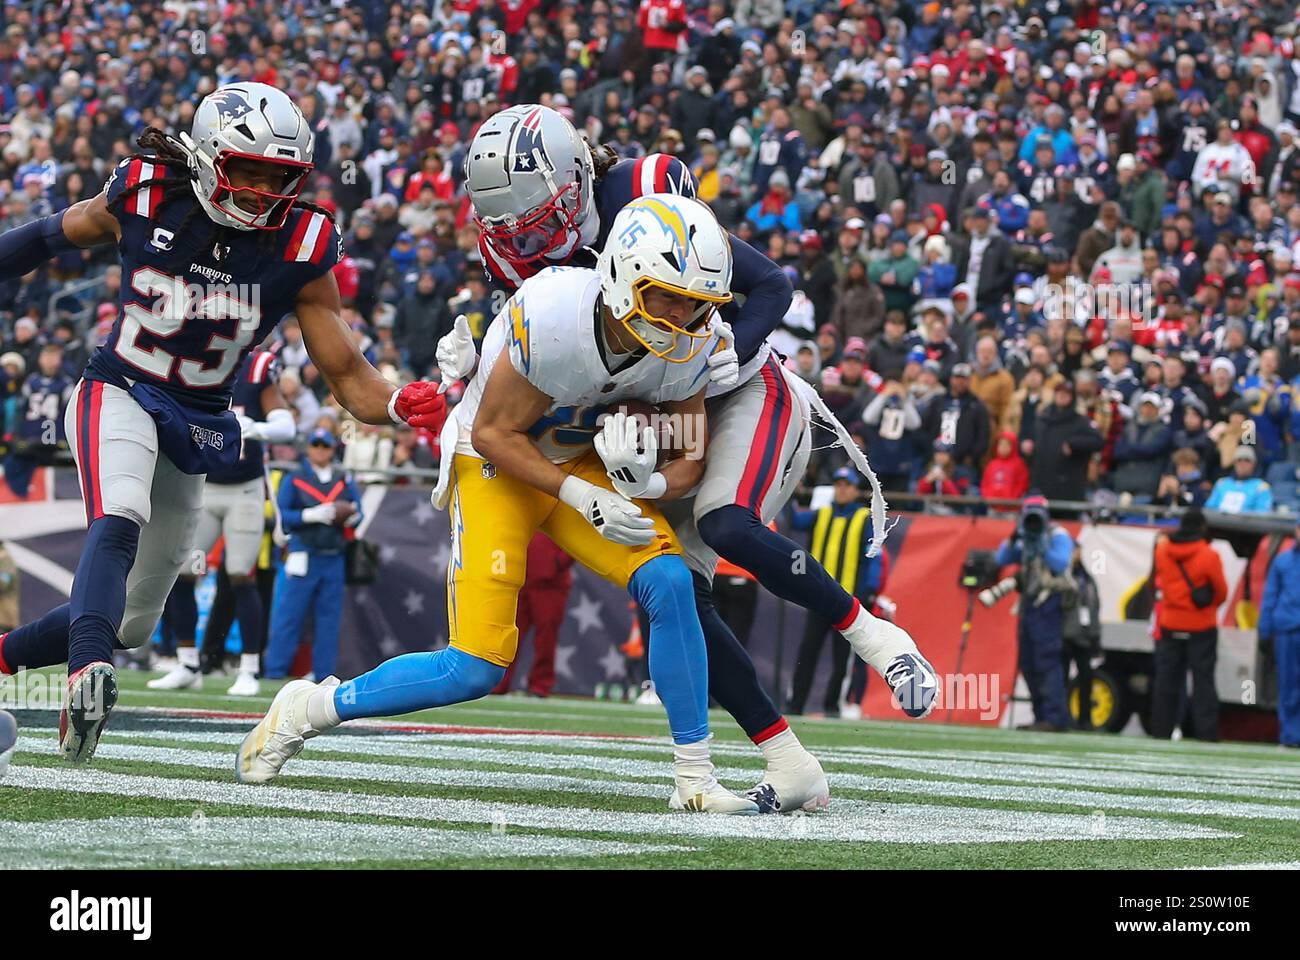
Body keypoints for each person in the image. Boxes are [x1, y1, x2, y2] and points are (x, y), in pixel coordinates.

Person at [442, 105, 936, 813]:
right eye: (517, 234)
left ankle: (873, 634)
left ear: (580, 181)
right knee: (676, 596)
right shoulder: (519, 258)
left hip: (736, 386)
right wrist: (471, 367)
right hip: (657, 403)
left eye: (547, 225)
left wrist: (731, 340)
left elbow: (768, 284)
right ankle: (791, 763)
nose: (536, 246)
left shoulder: (647, 194)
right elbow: (553, 357)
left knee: (727, 521)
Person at [240, 194, 760, 814]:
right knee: (475, 668)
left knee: (671, 582)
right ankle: (312, 707)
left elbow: (689, 459)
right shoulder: (555, 314)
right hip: (496, 463)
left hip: (579, 464)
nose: (682, 319)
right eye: (667, 298)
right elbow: (492, 431)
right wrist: (579, 495)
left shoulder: (698, 344)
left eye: (698, 305)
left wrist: (648, 485)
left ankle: (694, 779)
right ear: (622, 278)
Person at [0, 83, 445, 762]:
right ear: (209, 159)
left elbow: (349, 375)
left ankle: (6, 658)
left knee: (136, 619)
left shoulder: (302, 242)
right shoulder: (150, 194)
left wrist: (398, 404)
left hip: (198, 419)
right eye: (251, 171)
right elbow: (42, 238)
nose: (266, 191)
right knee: (117, 514)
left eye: (281, 177)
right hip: (117, 387)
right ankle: (84, 674)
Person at [150, 350, 296, 696]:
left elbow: (286, 426)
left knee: (241, 574)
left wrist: (256, 428)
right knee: (182, 570)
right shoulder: (189, 363)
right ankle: (187, 662)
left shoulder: (256, 367)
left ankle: (249, 668)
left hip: (243, 490)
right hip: (202, 486)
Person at [262, 428, 361, 684]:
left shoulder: (343, 477)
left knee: (329, 619)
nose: (319, 449)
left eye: (325, 445)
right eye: (315, 445)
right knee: (288, 614)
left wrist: (350, 515)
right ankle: (274, 671)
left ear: (332, 449)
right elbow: (281, 516)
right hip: (303, 552)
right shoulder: (295, 477)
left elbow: (357, 510)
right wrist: (312, 514)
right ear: (308, 448)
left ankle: (324, 674)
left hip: (333, 555)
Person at [785, 467, 884, 717]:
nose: (841, 489)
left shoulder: (864, 519)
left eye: (846, 485)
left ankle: (832, 706)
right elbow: (795, 520)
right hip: (819, 599)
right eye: (838, 484)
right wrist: (787, 491)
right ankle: (796, 704)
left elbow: (874, 556)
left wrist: (870, 589)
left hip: (846, 600)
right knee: (807, 653)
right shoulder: (823, 514)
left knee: (842, 658)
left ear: (855, 490)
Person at [990, 496, 1076, 732]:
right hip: (1029, 604)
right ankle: (1041, 716)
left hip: (1049, 602)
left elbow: (1060, 564)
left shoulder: (1057, 535)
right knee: (1028, 661)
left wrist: (1042, 546)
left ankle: (1055, 717)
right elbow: (1001, 559)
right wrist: (1015, 537)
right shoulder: (1024, 535)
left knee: (1046, 660)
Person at [1151, 509, 1227, 741]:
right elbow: (1221, 592)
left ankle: (1161, 730)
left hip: (1170, 623)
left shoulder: (1163, 550)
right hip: (1201, 626)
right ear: (1202, 527)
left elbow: (1161, 581)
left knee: (1166, 680)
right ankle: (1206, 733)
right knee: (1203, 681)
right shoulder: (1208, 554)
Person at [490, 534, 574, 698]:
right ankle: (499, 683)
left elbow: (577, 536)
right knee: (508, 635)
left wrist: (557, 563)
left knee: (546, 637)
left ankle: (540, 685)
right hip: (517, 580)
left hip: (550, 585)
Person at [3, 341, 73, 498]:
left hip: (53, 439)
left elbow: (69, 412)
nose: (49, 360)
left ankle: (21, 491)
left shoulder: (66, 383)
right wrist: (16, 434)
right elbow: (21, 410)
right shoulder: (31, 381)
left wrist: (64, 438)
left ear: (59, 360)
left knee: (27, 453)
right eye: (46, 356)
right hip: (31, 436)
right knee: (16, 455)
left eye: (53, 356)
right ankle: (20, 491)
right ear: (40, 359)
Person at [1258, 517, 1300, 749]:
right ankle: (1290, 736)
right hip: (1286, 630)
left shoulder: (1283, 561)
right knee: (1288, 686)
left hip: (1288, 627)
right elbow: (1270, 597)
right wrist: (1265, 631)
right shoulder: (1283, 562)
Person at [1060, 545, 1102, 731]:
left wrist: (1095, 635)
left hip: (1083, 636)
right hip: (1065, 635)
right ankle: (1061, 717)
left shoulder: (1087, 578)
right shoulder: (1063, 575)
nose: (1076, 555)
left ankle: (1085, 718)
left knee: (1086, 679)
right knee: (1061, 679)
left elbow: (1094, 607)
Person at [1205, 446, 1274, 514]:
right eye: (1239, 460)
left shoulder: (1261, 487)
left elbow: (1262, 515)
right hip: (1217, 524)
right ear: (1234, 463)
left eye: (1247, 460)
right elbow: (1209, 509)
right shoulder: (1222, 483)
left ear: (1254, 464)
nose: (1242, 464)